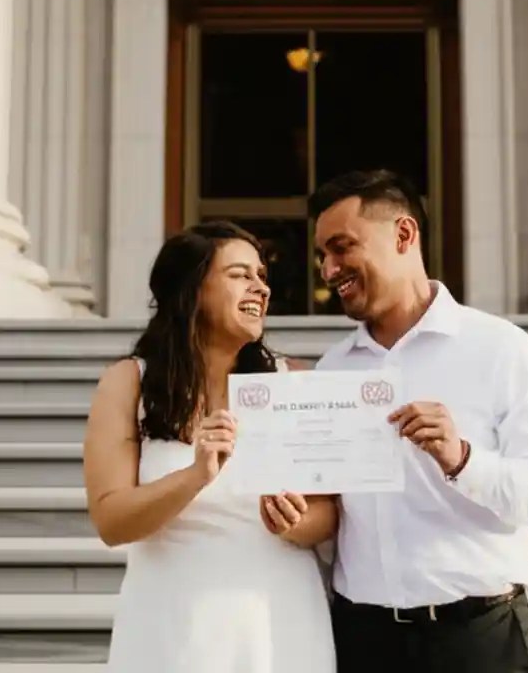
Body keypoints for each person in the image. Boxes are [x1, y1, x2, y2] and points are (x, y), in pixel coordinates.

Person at [309, 170, 528, 673]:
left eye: (342, 247)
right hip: (362, 641)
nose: (329, 270)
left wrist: (462, 458)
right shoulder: (331, 372)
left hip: (477, 641)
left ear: (404, 234)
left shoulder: (502, 350)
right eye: (322, 256)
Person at [83, 221, 338, 673]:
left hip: (275, 620)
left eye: (262, 276)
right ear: (192, 290)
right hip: (171, 623)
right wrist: (195, 475)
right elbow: (111, 521)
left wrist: (294, 522)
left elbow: (328, 516)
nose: (260, 288)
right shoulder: (129, 382)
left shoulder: (294, 381)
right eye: (241, 274)